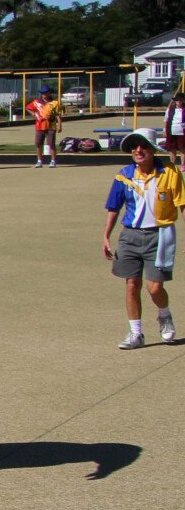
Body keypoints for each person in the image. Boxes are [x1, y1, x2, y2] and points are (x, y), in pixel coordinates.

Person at [100, 133, 180, 349]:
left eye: (143, 146)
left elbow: (182, 204)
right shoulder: (124, 175)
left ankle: (164, 315)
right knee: (132, 284)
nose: (138, 150)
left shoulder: (170, 173)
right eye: (134, 147)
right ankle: (136, 333)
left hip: (161, 235)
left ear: (153, 149)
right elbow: (114, 207)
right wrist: (106, 235)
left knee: (155, 288)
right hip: (130, 236)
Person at [27, 85, 62, 167]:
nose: (44, 94)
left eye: (45, 93)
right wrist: (33, 114)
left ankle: (53, 161)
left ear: (49, 93)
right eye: (42, 93)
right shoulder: (36, 102)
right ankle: (39, 161)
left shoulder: (55, 103)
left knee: (51, 144)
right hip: (39, 126)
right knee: (38, 143)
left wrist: (60, 125)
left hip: (51, 126)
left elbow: (58, 115)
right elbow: (28, 108)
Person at [165, 91, 185, 157]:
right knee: (172, 149)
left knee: (183, 148)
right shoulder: (170, 109)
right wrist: (165, 130)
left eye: (180, 100)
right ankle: (172, 164)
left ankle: (183, 165)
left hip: (182, 132)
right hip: (171, 131)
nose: (179, 101)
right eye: (177, 100)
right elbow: (166, 120)